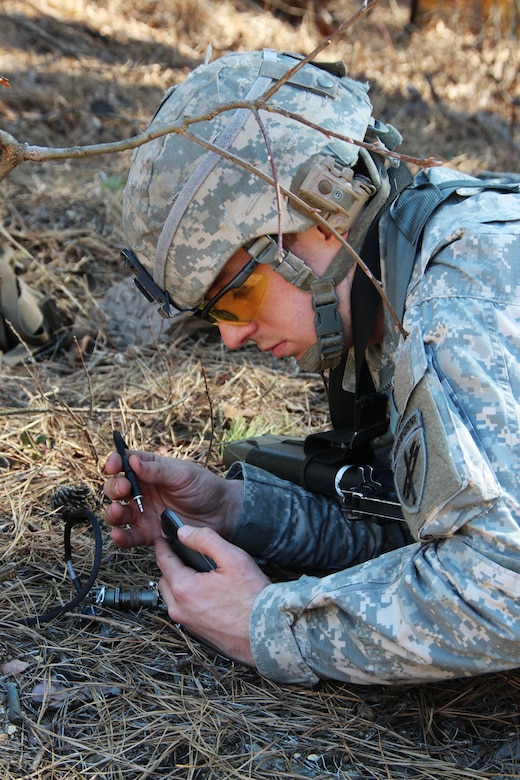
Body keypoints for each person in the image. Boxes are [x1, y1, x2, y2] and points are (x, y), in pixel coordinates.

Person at [103, 49, 520, 686]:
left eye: (234, 295)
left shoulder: (455, 303)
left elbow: (502, 588)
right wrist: (237, 512)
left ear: (321, 217)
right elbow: (432, 540)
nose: (233, 335)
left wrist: (266, 624)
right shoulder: (407, 278)